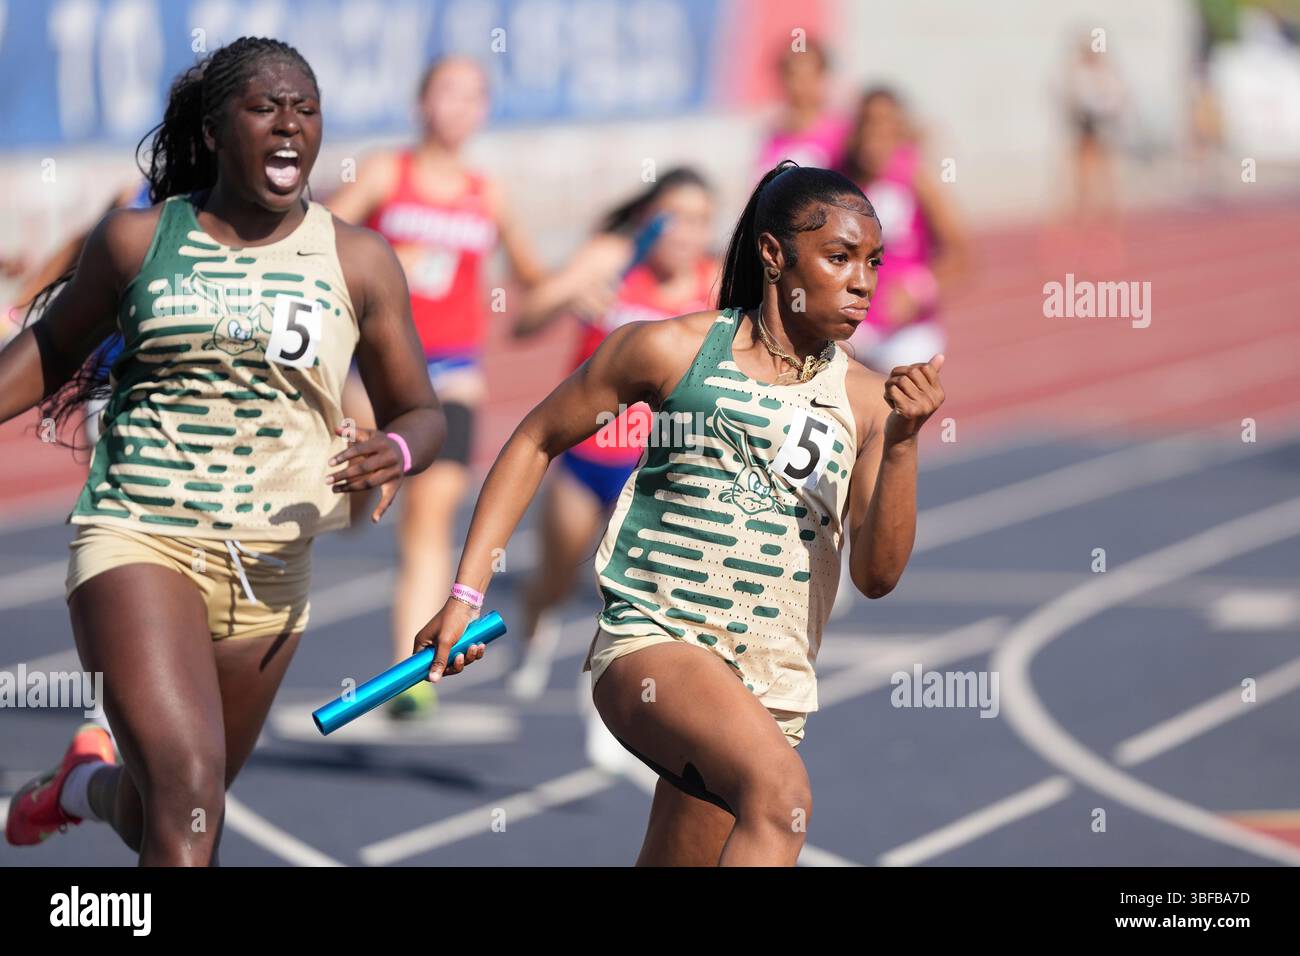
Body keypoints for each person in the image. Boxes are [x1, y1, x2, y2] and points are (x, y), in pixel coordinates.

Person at [1, 37, 481, 865]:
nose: (290, 126)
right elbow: (50, 350)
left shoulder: (359, 259)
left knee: (183, 812)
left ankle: (79, 786)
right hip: (140, 534)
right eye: (265, 108)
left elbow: (420, 409)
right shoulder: (135, 241)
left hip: (271, 569)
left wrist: (399, 448)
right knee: (188, 788)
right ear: (217, 130)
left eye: (306, 108)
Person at [412, 161, 946, 866]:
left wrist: (904, 443)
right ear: (773, 255)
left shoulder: (873, 404)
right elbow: (537, 439)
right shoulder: (672, 349)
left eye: (872, 261)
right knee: (780, 802)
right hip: (655, 646)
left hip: (768, 688)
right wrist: (464, 593)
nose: (863, 281)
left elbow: (877, 576)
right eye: (839, 257)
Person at [326, 54, 545, 720]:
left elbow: (532, 277)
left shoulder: (489, 192)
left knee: (429, 518)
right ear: (422, 103)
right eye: (446, 93)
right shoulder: (386, 173)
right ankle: (359, 500)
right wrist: (387, 260)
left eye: (472, 96)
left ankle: (408, 675)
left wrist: (594, 281)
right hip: (377, 369)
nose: (457, 107)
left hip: (453, 373)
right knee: (363, 489)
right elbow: (318, 237)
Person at [507, 167, 719, 703]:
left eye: (699, 221)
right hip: (588, 455)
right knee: (556, 580)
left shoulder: (715, 284)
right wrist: (571, 294)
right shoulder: (611, 257)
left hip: (660, 469)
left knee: (641, 598)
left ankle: (622, 703)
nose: (684, 232)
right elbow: (524, 322)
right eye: (674, 217)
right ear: (648, 216)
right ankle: (535, 620)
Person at [839, 87, 969, 373]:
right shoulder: (840, 181)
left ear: (899, 130)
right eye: (868, 123)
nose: (875, 135)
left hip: (907, 334)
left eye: (885, 125)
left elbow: (962, 256)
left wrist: (918, 290)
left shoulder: (917, 178)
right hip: (854, 328)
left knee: (896, 406)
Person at [756, 39, 851, 174]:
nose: (800, 85)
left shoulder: (843, 135)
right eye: (792, 75)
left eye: (808, 75)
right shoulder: (772, 136)